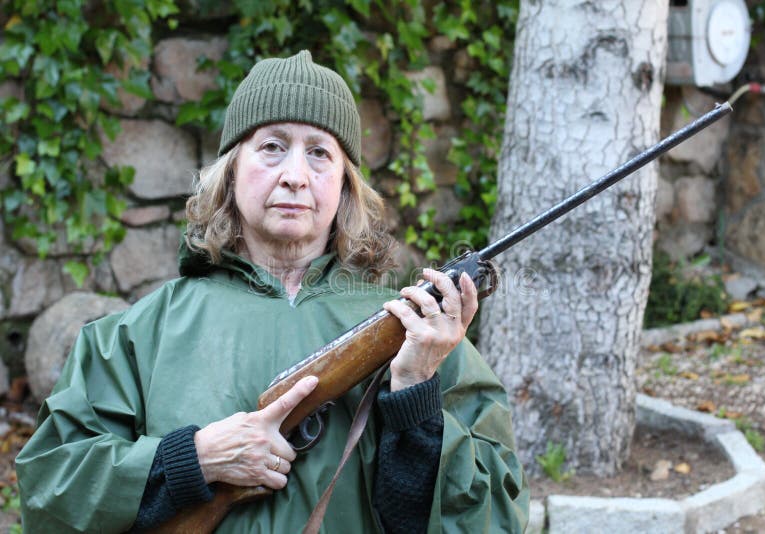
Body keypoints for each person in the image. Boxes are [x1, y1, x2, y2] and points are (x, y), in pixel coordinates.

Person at [16, 50, 529, 533]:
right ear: (230, 171)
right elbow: (50, 490)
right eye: (272, 147)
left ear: (346, 186)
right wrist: (194, 458)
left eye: (320, 154)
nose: (295, 176)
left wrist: (415, 390)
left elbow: (491, 516)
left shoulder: (420, 334)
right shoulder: (134, 334)